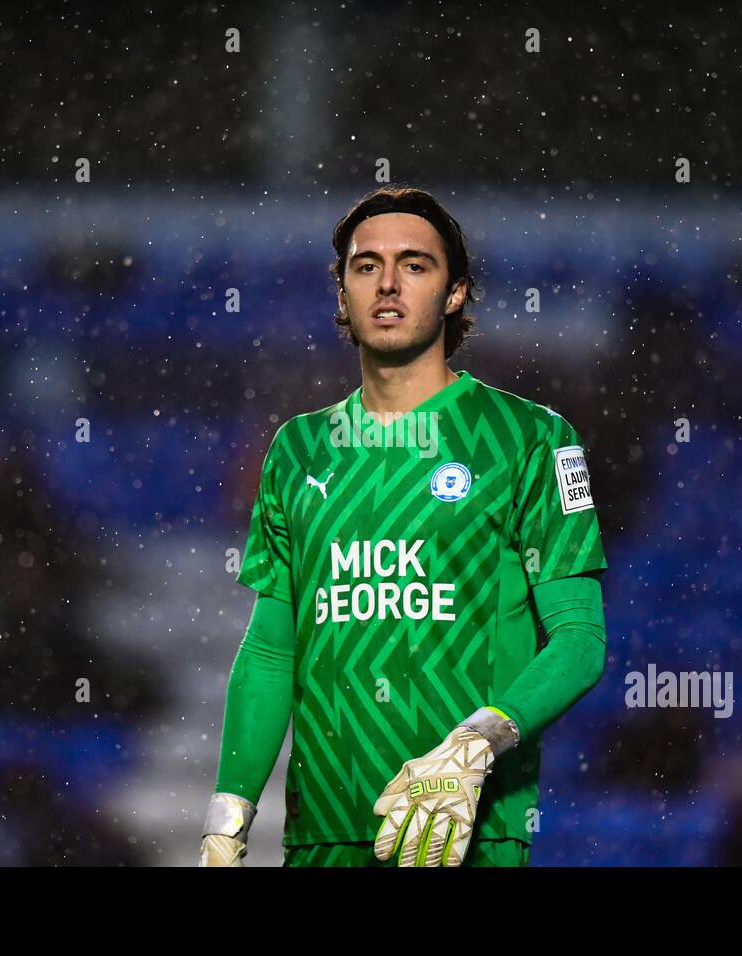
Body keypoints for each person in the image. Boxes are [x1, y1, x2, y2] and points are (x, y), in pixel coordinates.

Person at [200, 185, 609, 867]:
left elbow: (580, 641)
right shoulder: (298, 448)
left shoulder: (530, 438)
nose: (388, 283)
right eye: (366, 266)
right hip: (322, 835)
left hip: (465, 830)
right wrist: (228, 813)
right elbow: (272, 651)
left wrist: (475, 746)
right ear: (343, 295)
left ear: (455, 293)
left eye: (415, 265)